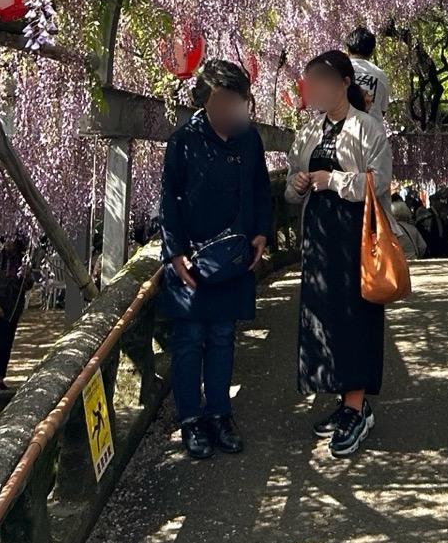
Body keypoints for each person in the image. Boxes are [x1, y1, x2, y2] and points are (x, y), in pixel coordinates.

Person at [159, 58, 272, 460]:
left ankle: (220, 414)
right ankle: (191, 420)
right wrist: (175, 254)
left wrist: (261, 232)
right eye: (223, 100)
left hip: (234, 256)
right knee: (190, 340)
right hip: (192, 258)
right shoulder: (184, 140)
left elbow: (261, 187)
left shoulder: (249, 138)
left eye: (236, 101)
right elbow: (168, 201)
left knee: (223, 337)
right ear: (206, 100)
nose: (230, 109)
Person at [286, 47, 393, 459]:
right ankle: (344, 399)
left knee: (355, 316)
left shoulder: (368, 128)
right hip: (319, 238)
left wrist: (333, 181)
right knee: (323, 316)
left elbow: (378, 182)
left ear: (345, 83)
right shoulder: (308, 132)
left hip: (356, 236)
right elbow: (291, 189)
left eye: (324, 82)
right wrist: (298, 185)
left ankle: (355, 406)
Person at [0, 232, 34, 392]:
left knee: (7, 343)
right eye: (6, 240)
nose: (8, 243)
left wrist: (26, 276)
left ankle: (1, 377)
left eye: (11, 240)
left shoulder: (22, 260)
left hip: (13, 308)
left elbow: (28, 286)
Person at [344, 26, 391, 122]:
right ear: (372, 52)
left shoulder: (338, 71)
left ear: (348, 50)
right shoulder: (380, 75)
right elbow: (382, 110)